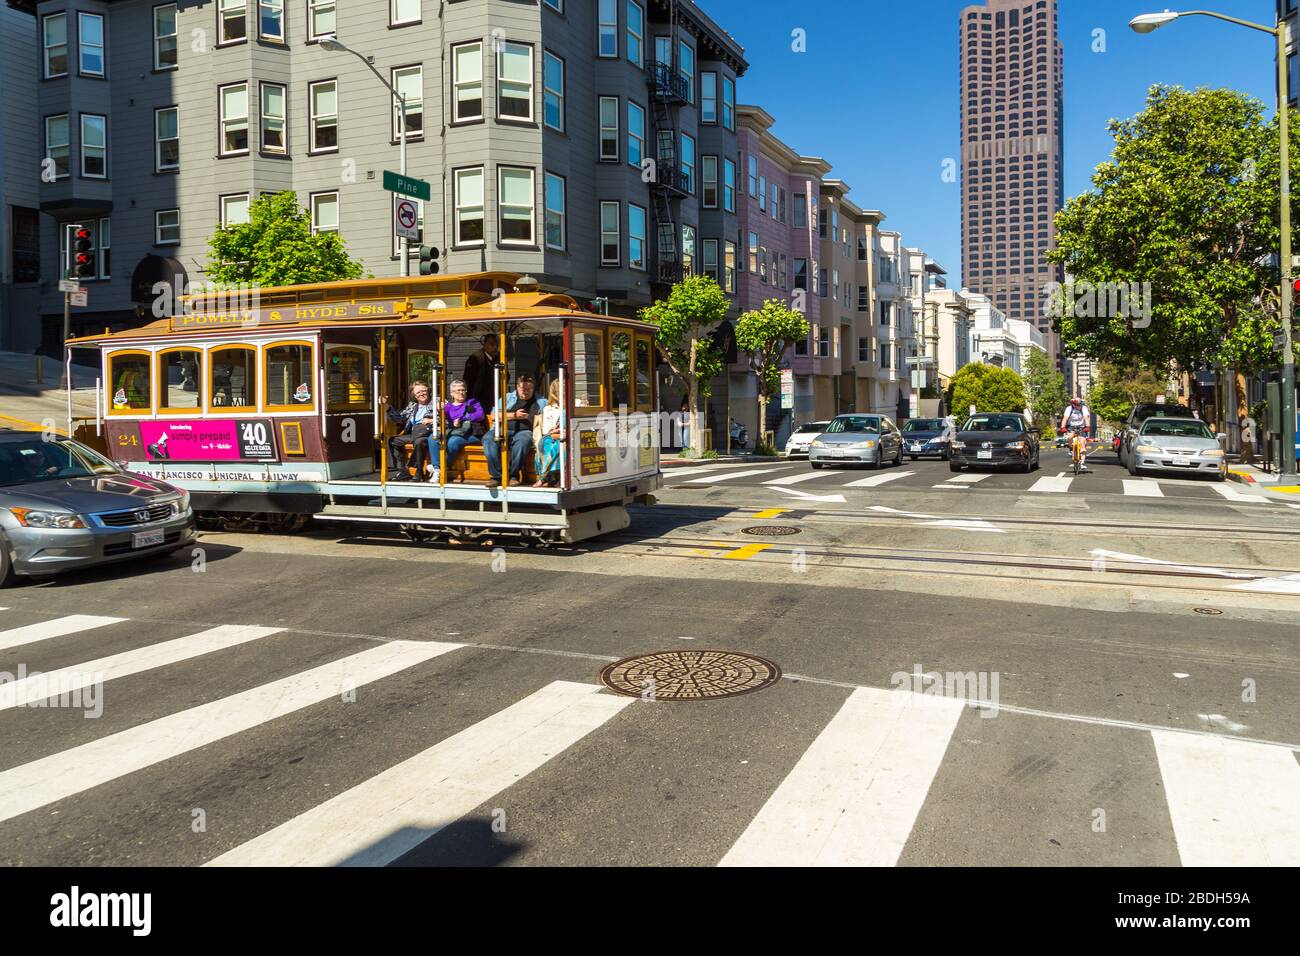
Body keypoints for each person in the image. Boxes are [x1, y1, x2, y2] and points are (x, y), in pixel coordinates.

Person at [482, 375, 544, 488]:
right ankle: (496, 477)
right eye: (522, 388)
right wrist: (514, 415)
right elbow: (494, 416)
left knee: (522, 441)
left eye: (528, 389)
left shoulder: (541, 401)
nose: (525, 391)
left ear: (533, 388)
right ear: (517, 387)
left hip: (526, 431)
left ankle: (513, 475)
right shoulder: (507, 398)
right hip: (503, 429)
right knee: (488, 439)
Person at [427, 380, 486, 482]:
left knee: (453, 442)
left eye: (463, 390)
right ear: (452, 393)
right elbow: (440, 418)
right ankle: (437, 468)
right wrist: (438, 411)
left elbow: (480, 415)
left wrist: (461, 419)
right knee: (433, 437)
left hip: (471, 434)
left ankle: (439, 468)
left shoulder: (473, 402)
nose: (461, 392)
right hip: (453, 432)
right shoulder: (448, 406)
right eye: (458, 390)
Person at [385, 381, 435, 481]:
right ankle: (403, 471)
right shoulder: (413, 406)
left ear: (429, 391)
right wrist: (387, 407)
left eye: (423, 391)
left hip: (429, 434)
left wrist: (432, 420)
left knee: (419, 442)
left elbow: (447, 417)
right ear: (414, 395)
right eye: (418, 392)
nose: (421, 394)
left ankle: (419, 471)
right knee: (393, 441)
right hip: (414, 433)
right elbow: (399, 418)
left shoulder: (437, 402)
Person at [533, 379, 564, 487]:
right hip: (553, 436)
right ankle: (549, 477)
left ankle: (553, 478)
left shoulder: (576, 404)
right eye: (562, 389)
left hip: (567, 436)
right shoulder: (549, 409)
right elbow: (547, 430)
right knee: (544, 443)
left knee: (560, 446)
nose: (565, 391)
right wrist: (555, 431)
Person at [463, 334, 501, 412]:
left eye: (497, 345)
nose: (495, 347)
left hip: (494, 398)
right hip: (478, 400)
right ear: (485, 344)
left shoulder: (499, 358)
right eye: (492, 344)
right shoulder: (475, 359)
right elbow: (468, 380)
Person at [1059, 396, 1092, 472]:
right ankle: (1071, 448)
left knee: (1082, 444)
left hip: (1082, 426)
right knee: (1070, 437)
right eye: (1075, 405)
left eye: (1078, 405)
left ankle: (1082, 463)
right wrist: (1063, 427)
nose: (1077, 406)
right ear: (1072, 404)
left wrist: (1088, 426)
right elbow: (1065, 418)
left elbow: (1086, 417)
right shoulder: (1069, 409)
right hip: (1071, 426)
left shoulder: (1084, 408)